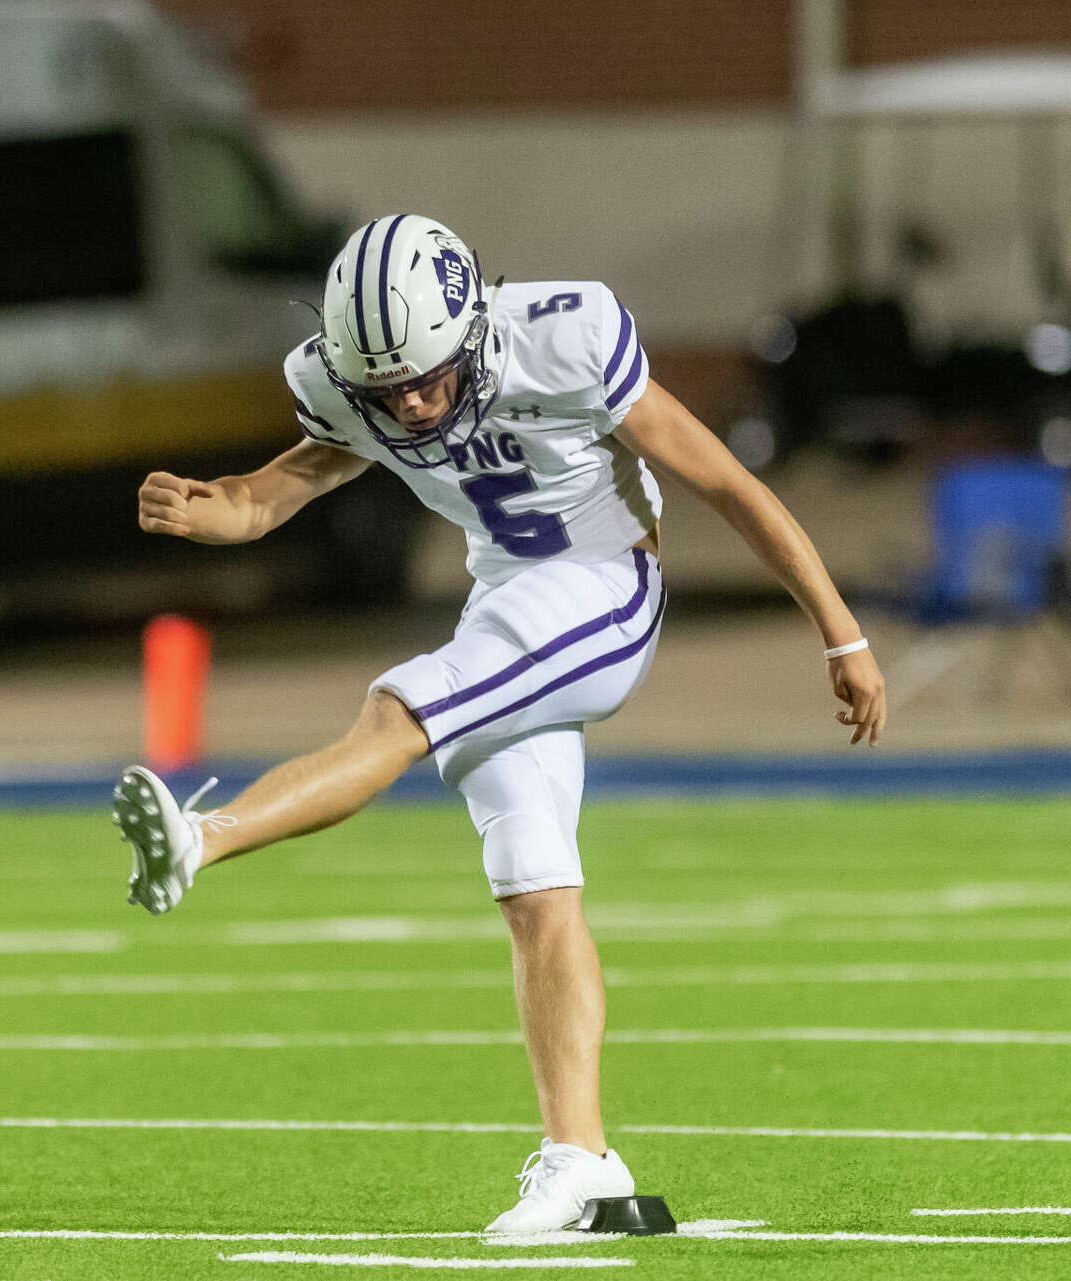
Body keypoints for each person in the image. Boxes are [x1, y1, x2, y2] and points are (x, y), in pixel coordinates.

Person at [113, 214, 887, 1233]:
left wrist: (840, 634)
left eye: (429, 377)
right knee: (535, 885)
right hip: (506, 597)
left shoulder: (564, 339)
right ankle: (585, 1165)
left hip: (607, 589)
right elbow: (288, 482)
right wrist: (227, 511)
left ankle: (202, 840)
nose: (416, 402)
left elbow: (724, 481)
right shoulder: (349, 383)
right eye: (390, 391)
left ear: (473, 326)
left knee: (398, 709)